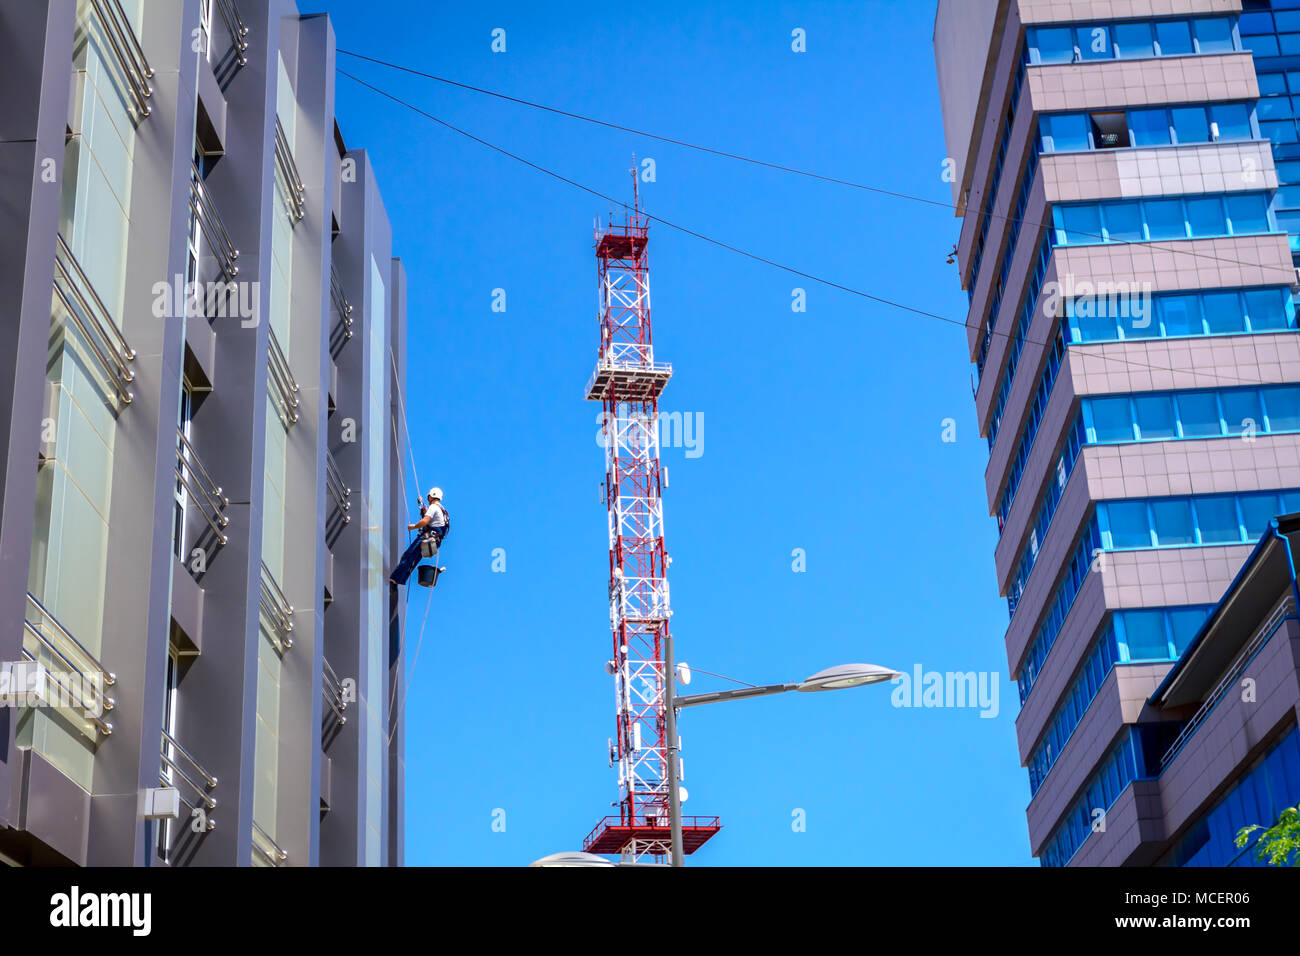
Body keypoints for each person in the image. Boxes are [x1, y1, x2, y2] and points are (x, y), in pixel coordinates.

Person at [389, 487, 450, 587]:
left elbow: (425, 521)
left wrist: (414, 526)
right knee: (414, 559)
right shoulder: (443, 510)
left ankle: (394, 580)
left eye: (429, 497)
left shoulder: (434, 507)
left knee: (408, 556)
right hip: (436, 539)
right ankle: (400, 580)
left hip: (429, 537)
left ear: (431, 496)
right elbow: (438, 525)